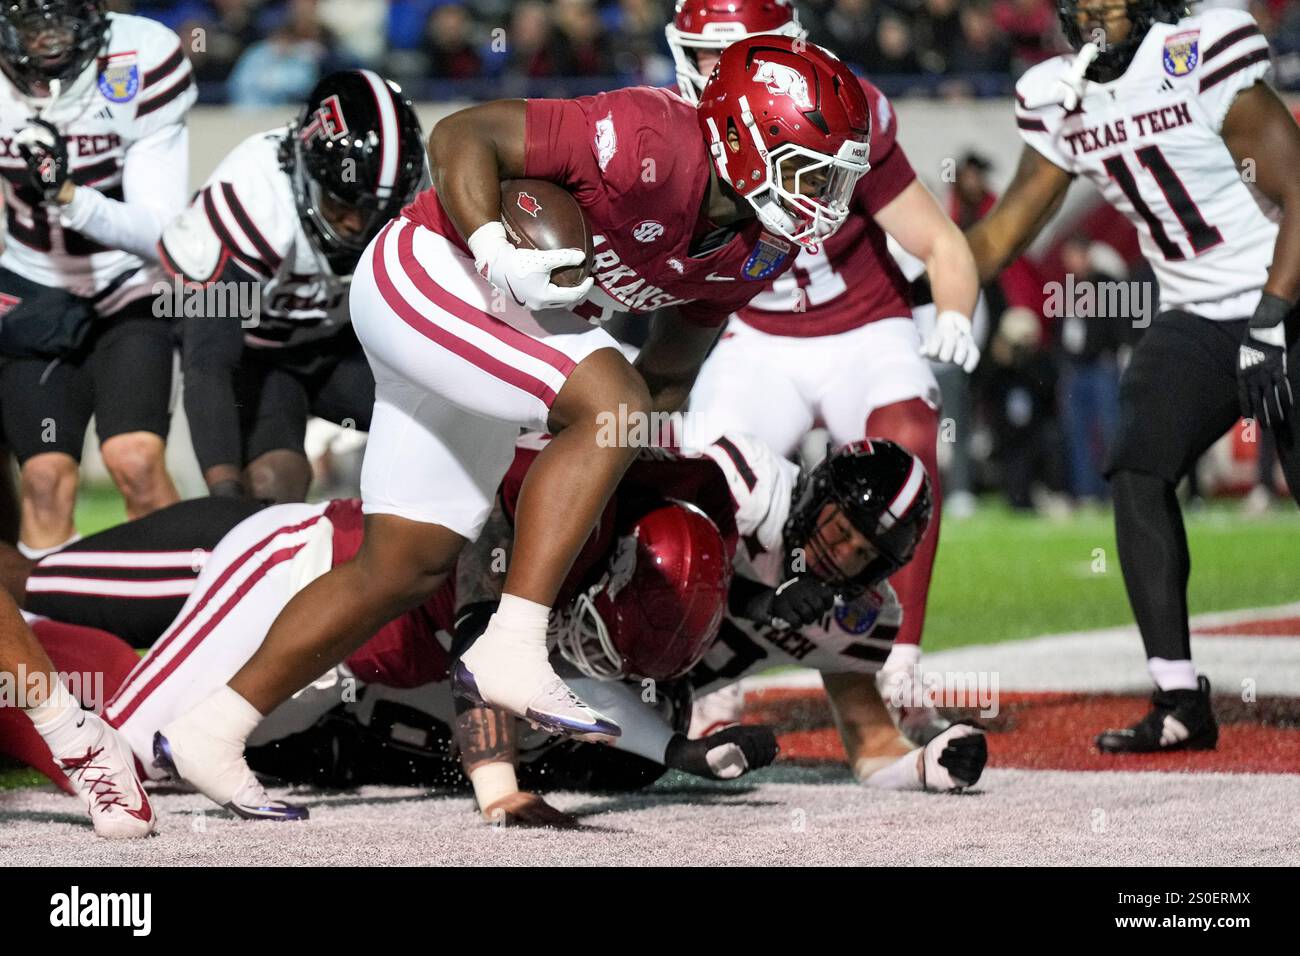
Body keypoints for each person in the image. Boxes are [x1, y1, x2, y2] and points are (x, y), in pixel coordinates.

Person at [151, 36, 874, 814]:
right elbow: (462, 134)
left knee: (406, 564)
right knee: (611, 400)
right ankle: (513, 646)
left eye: (835, 176)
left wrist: (600, 480)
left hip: (498, 325)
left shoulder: (752, 251)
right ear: (737, 135)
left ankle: (213, 727)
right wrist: (493, 242)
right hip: (434, 267)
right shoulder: (650, 139)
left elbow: (667, 378)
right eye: (809, 168)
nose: (824, 197)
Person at [965, 0, 1300, 751]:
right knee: (1138, 467)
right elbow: (1002, 232)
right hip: (1196, 315)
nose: (1093, 5)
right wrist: (904, 279)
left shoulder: (1197, 55)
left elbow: (1299, 189)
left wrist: (1273, 316)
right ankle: (1180, 697)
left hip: (1286, 289)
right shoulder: (1062, 97)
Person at [666, 0, 981, 738]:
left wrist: (956, 312)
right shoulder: (676, 129)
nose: (712, 74)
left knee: (905, 445)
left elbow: (939, 241)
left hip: (864, 329)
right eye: (703, 55)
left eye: (730, 55)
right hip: (755, 333)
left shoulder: (844, 108)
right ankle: (707, 665)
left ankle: (899, 661)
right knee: (699, 476)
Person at [160, 70, 425, 502]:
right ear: (304, 171)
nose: (357, 225)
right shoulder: (256, 199)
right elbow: (210, 361)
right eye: (341, 202)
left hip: (339, 344)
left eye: (376, 209)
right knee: (273, 483)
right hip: (255, 353)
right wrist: (222, 494)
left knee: (442, 431)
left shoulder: (412, 195)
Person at [0, 0, 196, 556]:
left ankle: (187, 623)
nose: (48, 41)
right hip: (32, 285)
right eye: (32, 26)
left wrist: (69, 198)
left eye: (59, 22)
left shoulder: (141, 55)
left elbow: (160, 230)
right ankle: (50, 640)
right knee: (44, 480)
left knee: (135, 461)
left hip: (126, 286)